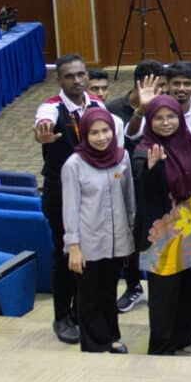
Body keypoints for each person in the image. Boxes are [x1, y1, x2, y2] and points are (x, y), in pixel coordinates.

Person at [130, 94, 191, 355]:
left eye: (171, 116)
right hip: (162, 234)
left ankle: (184, 337)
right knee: (165, 293)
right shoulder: (144, 150)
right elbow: (143, 189)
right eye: (158, 118)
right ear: (149, 121)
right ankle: (162, 346)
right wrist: (153, 171)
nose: (166, 123)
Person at [34, 54, 103, 344]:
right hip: (60, 193)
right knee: (66, 254)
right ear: (59, 79)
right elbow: (42, 125)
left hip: (91, 191)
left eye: (81, 75)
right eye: (69, 76)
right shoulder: (51, 107)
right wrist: (42, 135)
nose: (77, 81)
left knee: (89, 252)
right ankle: (62, 316)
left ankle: (81, 310)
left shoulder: (96, 106)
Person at [61, 106, 134, 354]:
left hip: (116, 239)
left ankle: (111, 337)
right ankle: (93, 345)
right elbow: (70, 208)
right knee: (89, 296)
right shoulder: (74, 165)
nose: (102, 137)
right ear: (84, 135)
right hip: (87, 242)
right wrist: (74, 247)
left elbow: (128, 197)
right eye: (94, 133)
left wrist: (132, 233)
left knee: (108, 291)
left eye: (106, 131)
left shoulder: (122, 157)